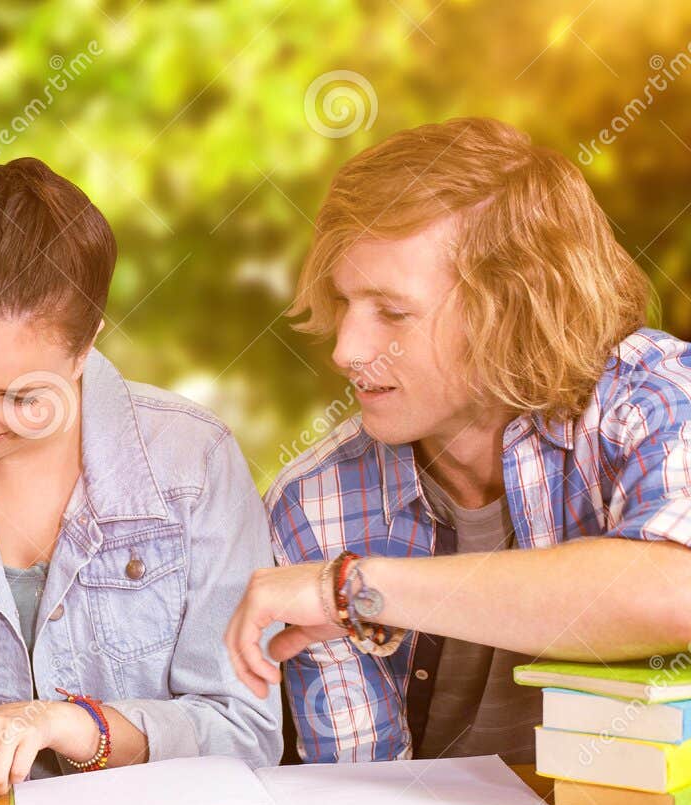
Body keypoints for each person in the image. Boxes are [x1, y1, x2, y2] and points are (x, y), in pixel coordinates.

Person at [229, 117, 691, 763]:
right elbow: (363, 786)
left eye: (392, 313)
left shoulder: (652, 400)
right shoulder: (315, 499)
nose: (345, 348)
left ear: (514, 308)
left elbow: (676, 594)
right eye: (344, 302)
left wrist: (355, 588)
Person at [0, 158, 281, 801]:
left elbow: (245, 734)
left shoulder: (191, 465)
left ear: (85, 345)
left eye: (19, 395)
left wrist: (77, 727)